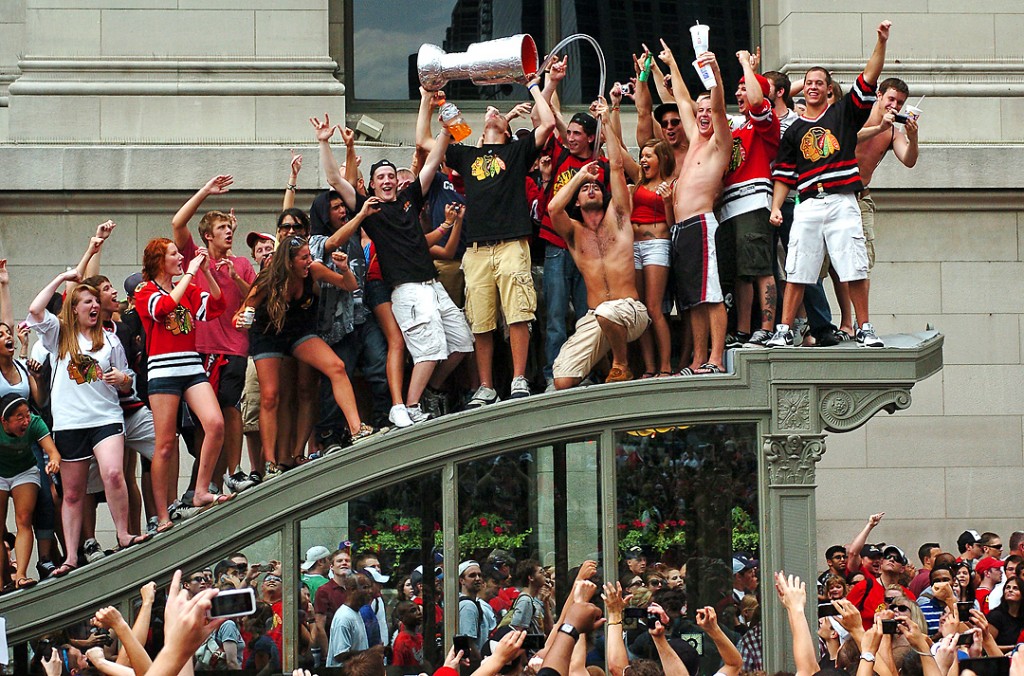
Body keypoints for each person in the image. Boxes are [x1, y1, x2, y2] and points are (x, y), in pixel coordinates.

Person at [317, 113, 473, 422]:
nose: (388, 181)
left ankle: (429, 391)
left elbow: (430, 165)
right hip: (408, 290)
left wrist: (444, 132)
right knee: (428, 350)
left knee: (462, 342)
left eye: (391, 176)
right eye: (381, 178)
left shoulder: (409, 199)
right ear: (372, 185)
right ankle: (407, 406)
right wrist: (324, 142)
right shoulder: (370, 210)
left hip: (433, 284)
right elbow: (335, 180)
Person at [421, 71, 557, 406]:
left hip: (512, 243)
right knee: (480, 320)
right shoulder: (467, 155)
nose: (492, 114)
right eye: (488, 116)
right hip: (477, 249)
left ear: (508, 134)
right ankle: (486, 386)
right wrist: (427, 103)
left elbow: (549, 124)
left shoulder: (516, 152)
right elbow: (425, 144)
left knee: (519, 313)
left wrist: (535, 85)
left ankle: (519, 378)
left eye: (499, 116)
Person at [768, 21, 894, 349]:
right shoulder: (794, 130)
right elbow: (783, 174)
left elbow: (869, 77)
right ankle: (782, 331)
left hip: (842, 199)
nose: (812, 87)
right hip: (808, 202)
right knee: (798, 268)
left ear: (827, 89)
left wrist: (881, 42)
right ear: (803, 87)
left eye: (819, 83)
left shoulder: (843, 114)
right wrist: (776, 208)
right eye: (808, 82)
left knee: (853, 263)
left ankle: (864, 327)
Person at [27, 270, 145, 576]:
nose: (94, 306)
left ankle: (123, 534)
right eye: (87, 301)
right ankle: (71, 557)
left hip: (105, 418)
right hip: (70, 423)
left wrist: (122, 379)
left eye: (96, 301)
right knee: (73, 493)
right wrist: (63, 276)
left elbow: (126, 381)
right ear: (74, 308)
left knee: (114, 474)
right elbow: (35, 310)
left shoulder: (111, 340)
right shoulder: (59, 336)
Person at [237, 234, 375, 476]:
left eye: (309, 256)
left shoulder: (314, 270)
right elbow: (240, 313)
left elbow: (350, 285)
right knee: (270, 396)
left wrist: (344, 269)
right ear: (289, 262)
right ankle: (270, 461)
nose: (309, 261)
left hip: (298, 332)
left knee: (337, 366)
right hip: (268, 334)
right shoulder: (268, 280)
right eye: (304, 257)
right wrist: (242, 318)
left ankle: (357, 428)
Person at [547, 99, 650, 388]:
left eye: (595, 186)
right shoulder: (575, 233)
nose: (591, 188)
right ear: (576, 201)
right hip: (596, 318)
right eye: (584, 189)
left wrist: (606, 121)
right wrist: (581, 174)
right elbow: (554, 209)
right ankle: (604, 368)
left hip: (630, 310)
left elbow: (617, 167)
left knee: (608, 312)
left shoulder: (617, 218)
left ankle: (621, 364)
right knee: (562, 380)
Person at [134, 238, 228, 533]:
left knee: (215, 423)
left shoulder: (186, 286)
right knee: (164, 445)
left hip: (190, 365)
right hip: (162, 370)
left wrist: (208, 272)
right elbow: (163, 308)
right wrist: (190, 273)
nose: (179, 257)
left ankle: (200, 490)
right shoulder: (144, 290)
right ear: (159, 260)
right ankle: (162, 514)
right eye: (173, 254)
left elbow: (215, 305)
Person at [171, 176, 258, 494]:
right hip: (199, 349)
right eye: (222, 228)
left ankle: (234, 471)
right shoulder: (195, 256)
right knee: (201, 418)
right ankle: (206, 480)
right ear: (207, 235)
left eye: (230, 228)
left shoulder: (242, 263)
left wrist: (236, 276)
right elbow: (178, 222)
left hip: (233, 347)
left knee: (229, 405)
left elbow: (254, 298)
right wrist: (206, 191)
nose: (229, 232)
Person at [658, 40, 732, 375]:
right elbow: (684, 105)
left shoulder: (719, 143)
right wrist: (673, 62)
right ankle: (698, 359)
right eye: (699, 111)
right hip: (681, 228)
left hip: (702, 224)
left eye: (708, 111)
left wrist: (714, 74)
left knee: (712, 294)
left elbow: (716, 109)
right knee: (693, 298)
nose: (702, 115)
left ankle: (716, 358)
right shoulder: (695, 142)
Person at [718, 51, 780, 348]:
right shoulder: (734, 125)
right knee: (741, 273)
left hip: (753, 202)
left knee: (760, 268)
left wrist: (746, 65)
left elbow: (758, 101)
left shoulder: (764, 123)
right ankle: (743, 331)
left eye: (744, 87)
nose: (738, 93)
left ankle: (766, 328)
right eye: (738, 87)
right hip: (728, 206)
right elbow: (700, 109)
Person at [0, 394, 59, 588]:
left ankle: (21, 575)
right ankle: (3, 581)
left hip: (25, 471)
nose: (26, 420)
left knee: (24, 519)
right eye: (19, 417)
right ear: (4, 421)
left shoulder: (34, 423)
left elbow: (52, 451)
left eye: (27, 415)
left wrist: (53, 462)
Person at [628, 138, 675, 377]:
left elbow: (672, 223)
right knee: (640, 308)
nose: (644, 160)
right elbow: (619, 159)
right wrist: (611, 113)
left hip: (657, 245)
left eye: (649, 156)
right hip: (634, 246)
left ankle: (665, 366)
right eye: (642, 156)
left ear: (662, 159)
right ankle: (649, 367)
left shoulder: (670, 184)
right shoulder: (637, 184)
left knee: (655, 308)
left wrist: (667, 201)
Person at [327, 572, 372, 667]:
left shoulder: (356, 612)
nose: (370, 591)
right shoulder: (343, 617)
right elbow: (340, 655)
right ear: (352, 590)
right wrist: (371, 653)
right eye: (365, 587)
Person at [987, 575, 1024, 649]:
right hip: (998, 658)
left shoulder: (1022, 617)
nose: (1010, 590)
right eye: (1008, 587)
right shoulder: (995, 616)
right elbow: (986, 646)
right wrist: (1015, 648)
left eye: (1015, 588)